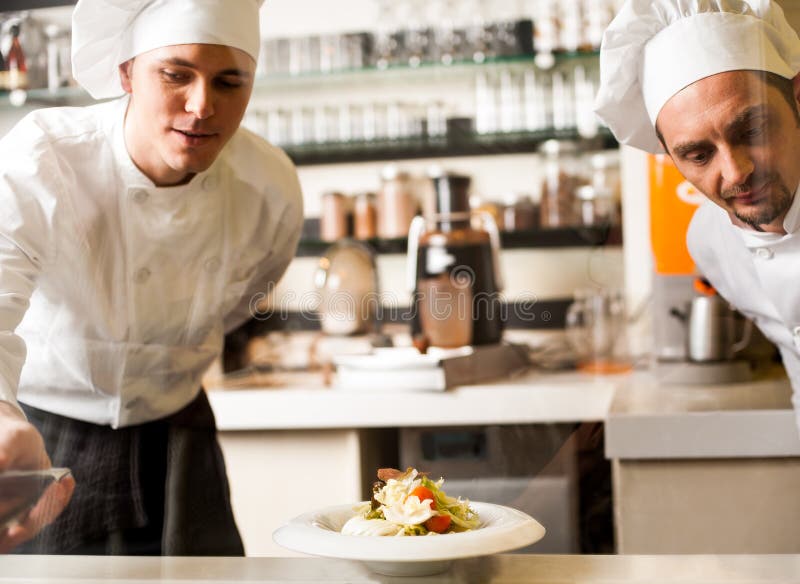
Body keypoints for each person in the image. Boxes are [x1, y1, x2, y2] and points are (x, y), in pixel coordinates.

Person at [0, 0, 303, 555]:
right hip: (51, 438)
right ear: (126, 73)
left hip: (183, 436)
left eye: (230, 81)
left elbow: (243, 302)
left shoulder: (270, 186)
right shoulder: (45, 158)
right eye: (175, 74)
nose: (202, 105)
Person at [594, 0, 800, 427]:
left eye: (753, 130)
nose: (737, 171)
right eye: (698, 154)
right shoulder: (709, 241)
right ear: (670, 157)